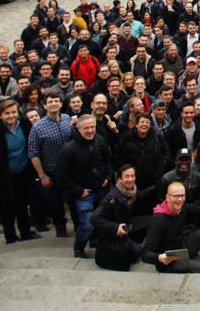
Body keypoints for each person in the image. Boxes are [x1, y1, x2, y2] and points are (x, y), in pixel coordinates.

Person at [0, 99, 41, 244]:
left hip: (23, 172)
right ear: (1, 115)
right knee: (7, 207)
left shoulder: (25, 125)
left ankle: (25, 232)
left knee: (22, 204)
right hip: (4, 177)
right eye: (7, 113)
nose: (11, 116)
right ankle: (10, 237)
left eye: (13, 112)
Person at [55, 114, 114, 259]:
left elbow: (108, 161)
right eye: (86, 128)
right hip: (84, 194)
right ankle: (79, 247)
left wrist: (108, 177)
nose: (90, 131)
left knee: (101, 220)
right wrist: (78, 191)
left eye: (92, 127)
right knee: (87, 224)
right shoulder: (69, 149)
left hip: (101, 189)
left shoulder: (100, 140)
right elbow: (61, 176)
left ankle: (95, 242)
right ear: (78, 129)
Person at [90, 164, 159, 270]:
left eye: (133, 176)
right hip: (114, 232)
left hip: (127, 224)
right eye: (127, 176)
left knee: (153, 220)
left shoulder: (131, 192)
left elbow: (142, 194)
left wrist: (159, 184)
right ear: (119, 179)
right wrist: (115, 227)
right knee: (137, 253)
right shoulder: (111, 198)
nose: (130, 179)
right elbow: (94, 218)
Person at [28, 93, 73, 236]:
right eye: (50, 102)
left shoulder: (66, 119)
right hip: (52, 171)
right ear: (45, 106)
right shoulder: (38, 127)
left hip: (70, 169)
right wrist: (42, 175)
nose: (54, 104)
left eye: (56, 101)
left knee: (73, 200)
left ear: (60, 104)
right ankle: (60, 229)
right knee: (56, 203)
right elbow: (33, 153)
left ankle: (78, 226)